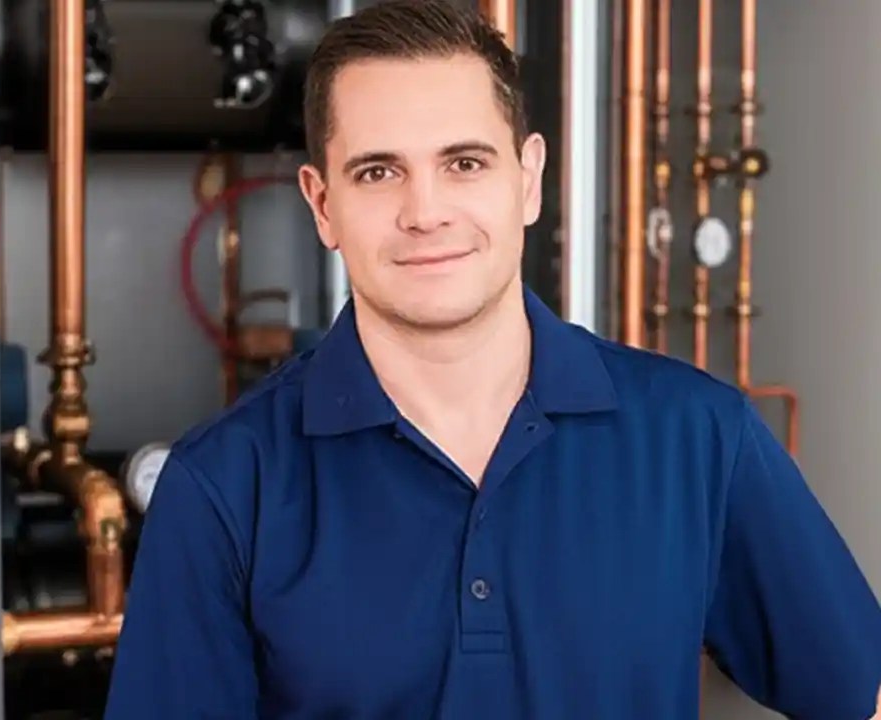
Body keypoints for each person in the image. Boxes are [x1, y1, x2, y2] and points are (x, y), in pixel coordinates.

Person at [103, 1, 881, 717]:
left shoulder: (699, 437)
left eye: (465, 162)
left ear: (530, 178)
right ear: (322, 203)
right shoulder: (225, 487)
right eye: (379, 171)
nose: (426, 211)